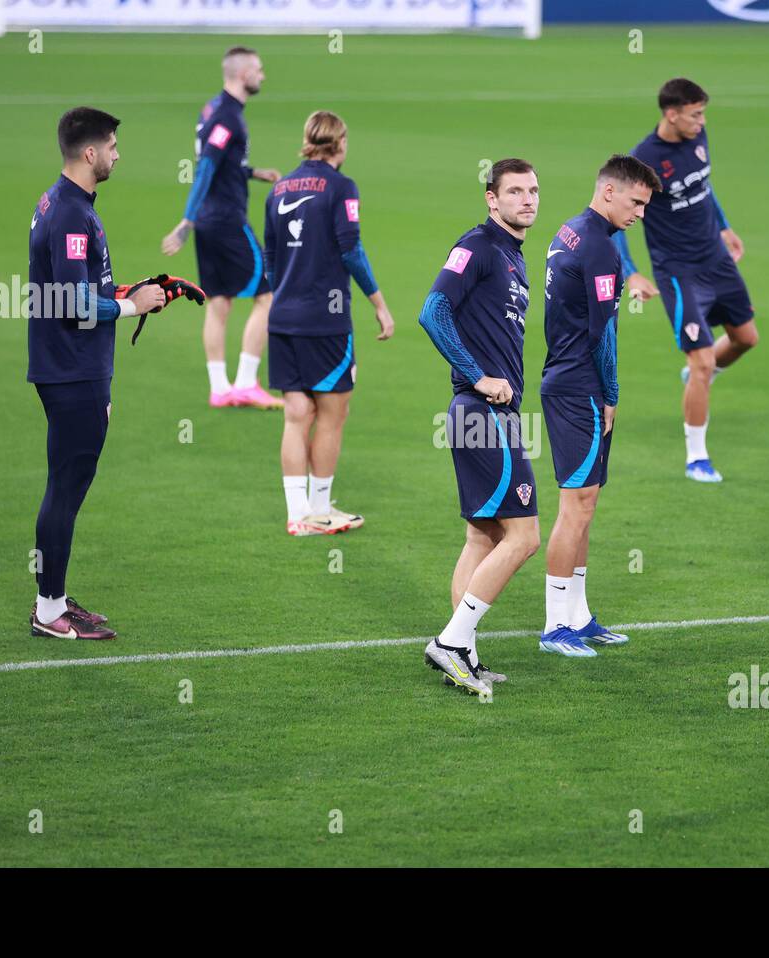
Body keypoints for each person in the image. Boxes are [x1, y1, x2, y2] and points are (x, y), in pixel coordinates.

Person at [29, 108, 178, 639]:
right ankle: (49, 612)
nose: (117, 153)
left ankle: (53, 596)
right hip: (72, 369)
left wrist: (132, 293)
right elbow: (71, 304)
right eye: (112, 145)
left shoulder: (64, 202)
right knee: (65, 489)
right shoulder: (71, 213)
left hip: (74, 367)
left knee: (66, 485)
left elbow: (84, 289)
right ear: (89, 153)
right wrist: (133, 308)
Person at [417, 159, 542, 697]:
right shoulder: (479, 247)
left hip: (479, 414)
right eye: (515, 191)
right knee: (525, 537)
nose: (528, 199)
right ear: (492, 199)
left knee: (482, 534)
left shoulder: (513, 256)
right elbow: (433, 310)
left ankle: (463, 651)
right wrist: (479, 376)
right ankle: (450, 642)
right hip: (482, 410)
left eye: (534, 191)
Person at [538, 155, 660, 657]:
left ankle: (578, 615)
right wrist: (611, 395)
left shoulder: (570, 230)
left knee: (585, 504)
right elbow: (605, 334)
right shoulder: (600, 250)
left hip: (562, 378)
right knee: (576, 505)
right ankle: (554, 626)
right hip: (577, 387)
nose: (641, 214)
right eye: (636, 202)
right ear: (609, 192)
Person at [614, 77, 759, 483]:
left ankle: (703, 371)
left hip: (716, 259)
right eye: (695, 114)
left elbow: (703, 185)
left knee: (747, 339)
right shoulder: (643, 160)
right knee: (702, 361)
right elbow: (616, 221)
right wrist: (632, 273)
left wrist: (724, 226)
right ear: (671, 113)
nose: (702, 121)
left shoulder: (699, 136)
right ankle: (696, 457)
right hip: (678, 272)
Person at [264, 111, 393, 536]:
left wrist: (284, 295)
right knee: (333, 413)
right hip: (326, 320)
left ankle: (296, 514)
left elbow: (269, 258)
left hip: (282, 317)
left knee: (296, 413)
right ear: (340, 143)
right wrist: (379, 302)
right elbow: (351, 250)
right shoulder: (341, 187)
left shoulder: (278, 188)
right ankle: (319, 510)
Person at [161, 46, 283, 409]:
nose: (262, 75)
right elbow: (206, 168)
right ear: (243, 74)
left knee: (219, 303)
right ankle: (245, 383)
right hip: (226, 221)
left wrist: (253, 173)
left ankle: (220, 389)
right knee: (268, 296)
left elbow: (222, 162)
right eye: (259, 70)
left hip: (209, 224)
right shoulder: (227, 117)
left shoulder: (211, 109)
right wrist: (186, 219)